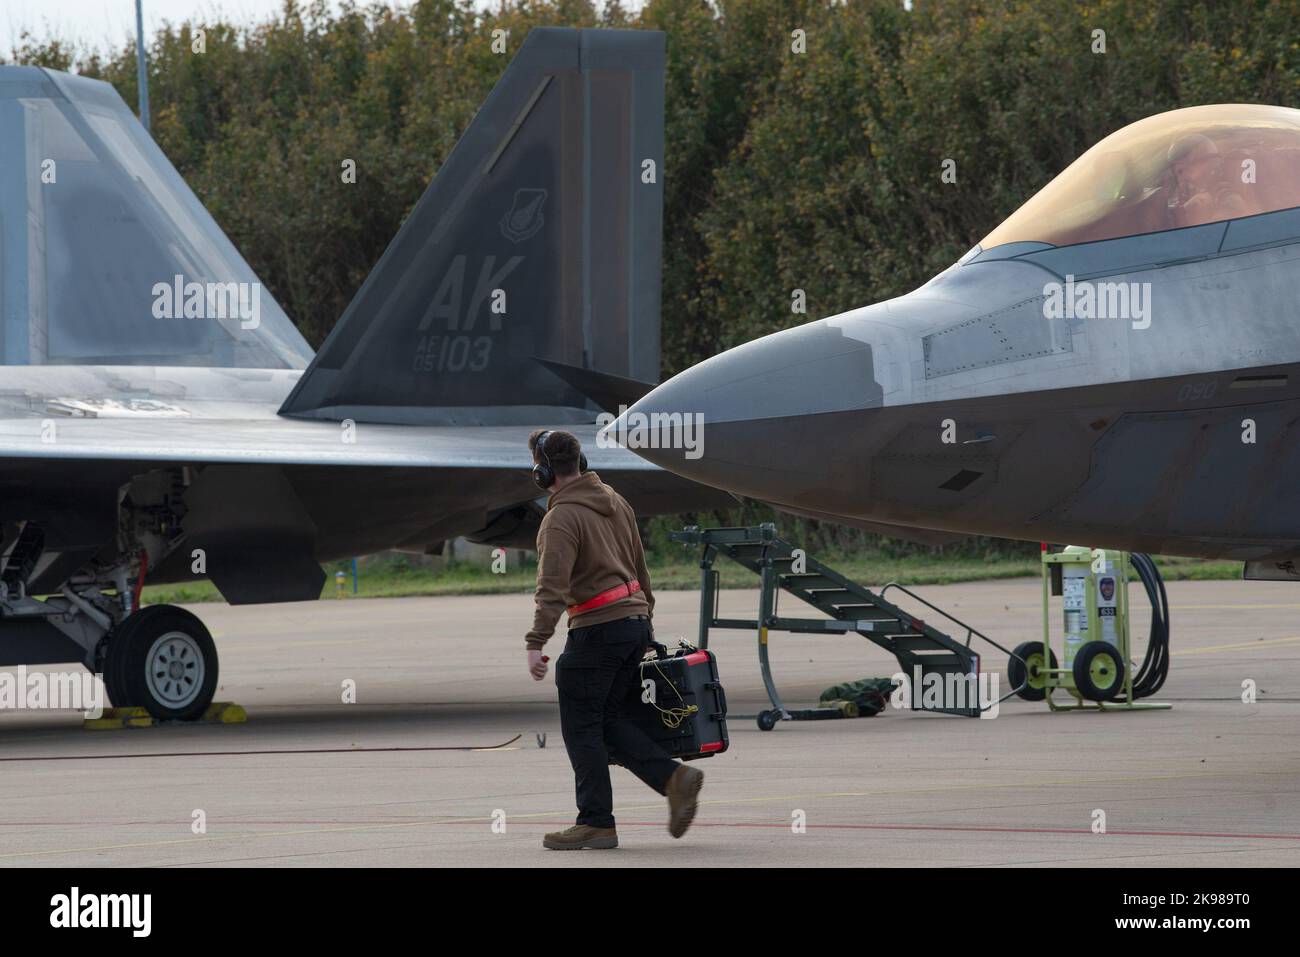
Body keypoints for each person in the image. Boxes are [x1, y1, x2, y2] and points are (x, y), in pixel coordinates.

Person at [524, 429, 704, 850]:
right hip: (632, 623)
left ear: (542, 471)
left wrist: (536, 641)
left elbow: (551, 586)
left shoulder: (561, 518)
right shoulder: (616, 501)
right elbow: (641, 570)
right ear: (580, 462)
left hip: (596, 631)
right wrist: (645, 624)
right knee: (606, 722)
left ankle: (596, 822)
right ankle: (672, 778)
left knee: (582, 726)